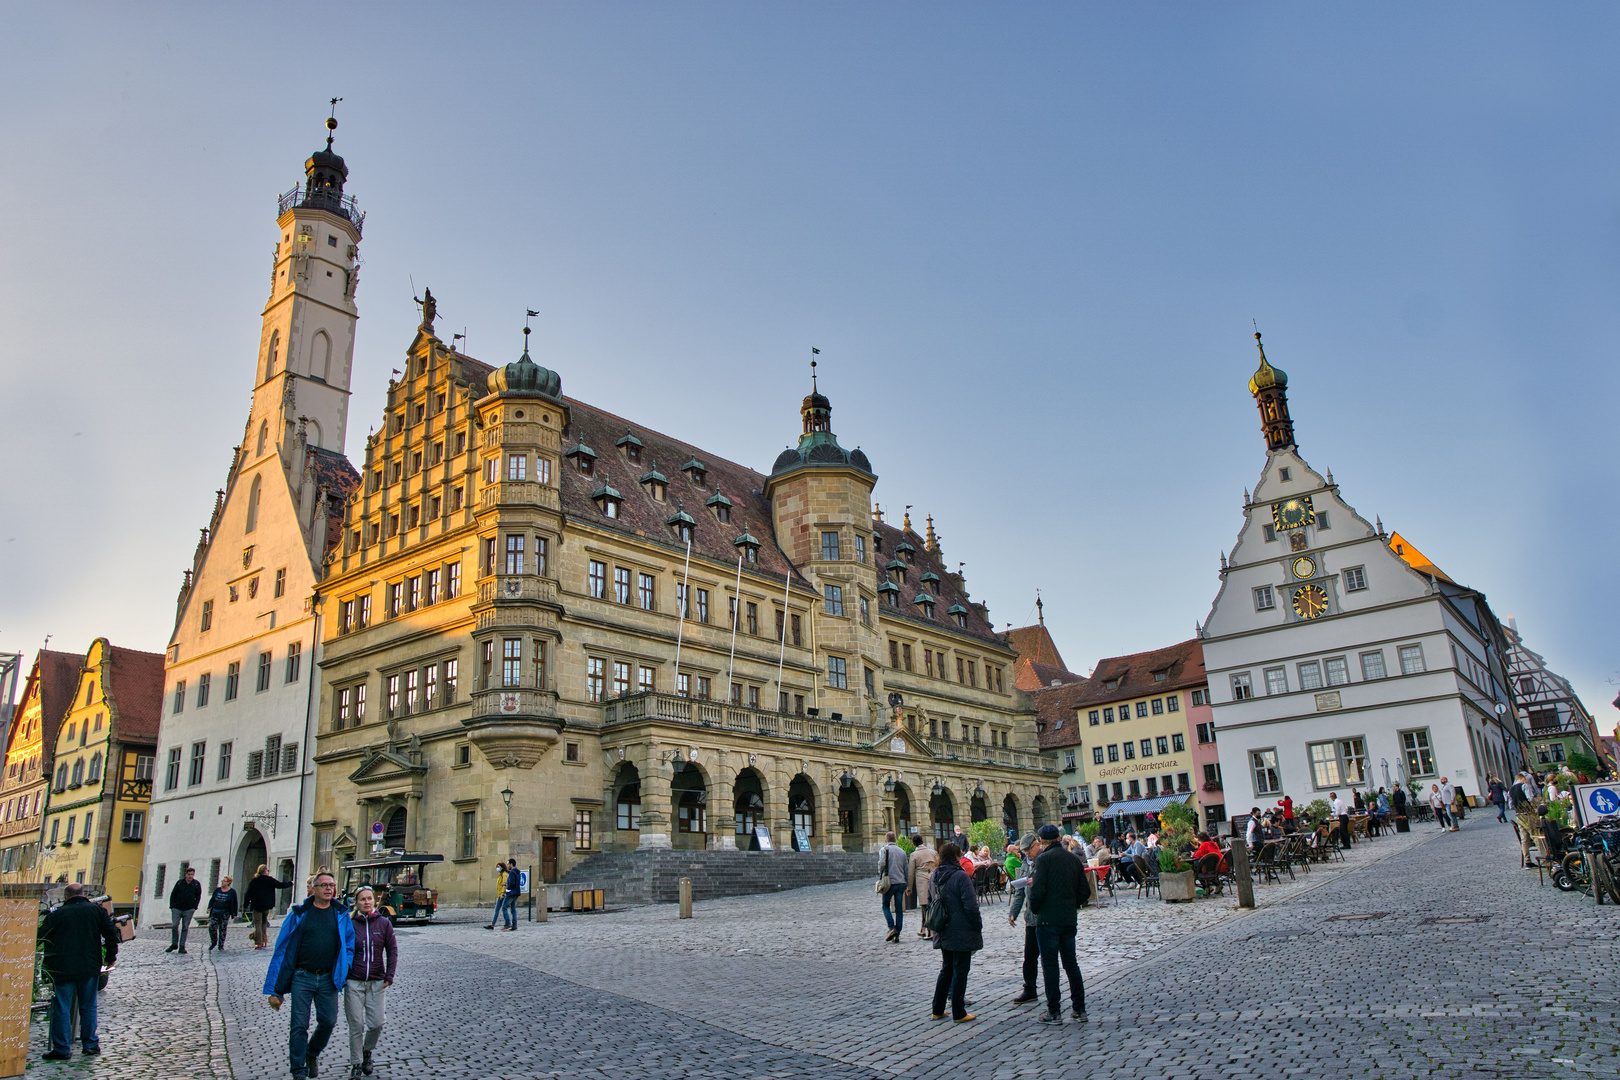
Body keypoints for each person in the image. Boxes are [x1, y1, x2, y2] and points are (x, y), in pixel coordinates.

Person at [266, 871, 356, 1080]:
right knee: (299, 1025)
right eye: (323, 885)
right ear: (313, 889)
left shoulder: (340, 914)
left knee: (329, 1021)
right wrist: (275, 989)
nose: (328, 889)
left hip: (328, 978)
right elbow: (283, 948)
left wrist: (346, 964)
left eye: (331, 885)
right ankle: (298, 1069)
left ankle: (311, 1052)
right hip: (302, 977)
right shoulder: (300, 914)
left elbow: (349, 944)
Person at [38, 882, 121, 1061]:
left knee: (61, 1007)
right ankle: (90, 1045)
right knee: (88, 1005)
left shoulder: (58, 914)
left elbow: (41, 936)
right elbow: (111, 933)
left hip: (62, 967)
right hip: (88, 965)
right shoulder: (97, 912)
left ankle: (62, 1048)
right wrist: (111, 956)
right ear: (83, 894)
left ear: (67, 896)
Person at [1027, 823, 1088, 1024]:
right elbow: (1084, 891)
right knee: (1071, 964)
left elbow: (1038, 891)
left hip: (1047, 920)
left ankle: (1054, 1011)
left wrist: (1036, 909)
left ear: (1042, 841)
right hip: (1068, 918)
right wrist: (1072, 904)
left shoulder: (1043, 860)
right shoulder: (1073, 859)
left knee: (1050, 965)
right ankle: (1079, 1009)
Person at [345, 886, 397, 1080]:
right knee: (356, 1025)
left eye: (369, 899)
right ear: (356, 902)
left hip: (377, 981)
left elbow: (392, 951)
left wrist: (389, 976)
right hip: (354, 981)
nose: (366, 902)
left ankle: (367, 1050)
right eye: (362, 899)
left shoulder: (383, 924)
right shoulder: (350, 923)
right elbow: (342, 950)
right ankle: (356, 1063)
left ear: (374, 901)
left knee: (376, 1024)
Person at [928, 842, 983, 1023]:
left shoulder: (934, 874)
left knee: (947, 968)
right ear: (956, 856)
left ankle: (937, 1009)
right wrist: (977, 925)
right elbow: (970, 905)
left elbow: (930, 898)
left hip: (942, 926)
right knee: (961, 969)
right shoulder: (960, 876)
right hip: (961, 928)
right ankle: (959, 1011)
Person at [246, 864, 293, 949]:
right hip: (267, 905)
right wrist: (290, 883)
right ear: (265, 871)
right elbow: (280, 885)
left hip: (257, 905)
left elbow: (248, 893)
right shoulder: (269, 880)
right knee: (264, 922)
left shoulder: (254, 881)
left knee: (258, 924)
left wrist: (245, 904)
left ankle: (259, 942)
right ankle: (264, 940)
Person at [877, 831, 909, 943]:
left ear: (886, 840)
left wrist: (880, 875)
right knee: (899, 909)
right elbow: (906, 869)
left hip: (889, 882)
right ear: (895, 839)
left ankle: (892, 928)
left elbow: (881, 864)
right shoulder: (902, 852)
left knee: (885, 906)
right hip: (900, 883)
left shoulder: (884, 850)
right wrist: (908, 884)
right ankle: (897, 933)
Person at [906, 833, 940, 939]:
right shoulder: (932, 852)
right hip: (933, 877)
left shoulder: (914, 855)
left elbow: (910, 873)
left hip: (921, 879)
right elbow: (938, 864)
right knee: (932, 903)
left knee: (925, 905)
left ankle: (929, 931)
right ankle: (924, 928)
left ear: (913, 843)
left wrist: (909, 887)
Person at [167, 865, 202, 954]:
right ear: (185, 874)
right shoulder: (179, 883)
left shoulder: (196, 884)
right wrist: (172, 906)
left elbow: (198, 896)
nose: (190, 876)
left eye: (192, 874)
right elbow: (173, 894)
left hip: (189, 909)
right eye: (189, 874)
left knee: (185, 927)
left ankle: (182, 946)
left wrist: (195, 907)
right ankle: (174, 943)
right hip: (177, 908)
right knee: (174, 925)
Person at [208, 875, 240, 951]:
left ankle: (221, 945)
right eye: (222, 880)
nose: (222, 882)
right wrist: (209, 907)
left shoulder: (232, 892)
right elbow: (212, 899)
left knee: (222, 928)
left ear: (228, 882)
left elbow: (235, 903)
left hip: (225, 912)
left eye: (224, 881)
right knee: (212, 927)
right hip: (215, 911)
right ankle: (214, 941)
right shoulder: (218, 890)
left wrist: (234, 914)